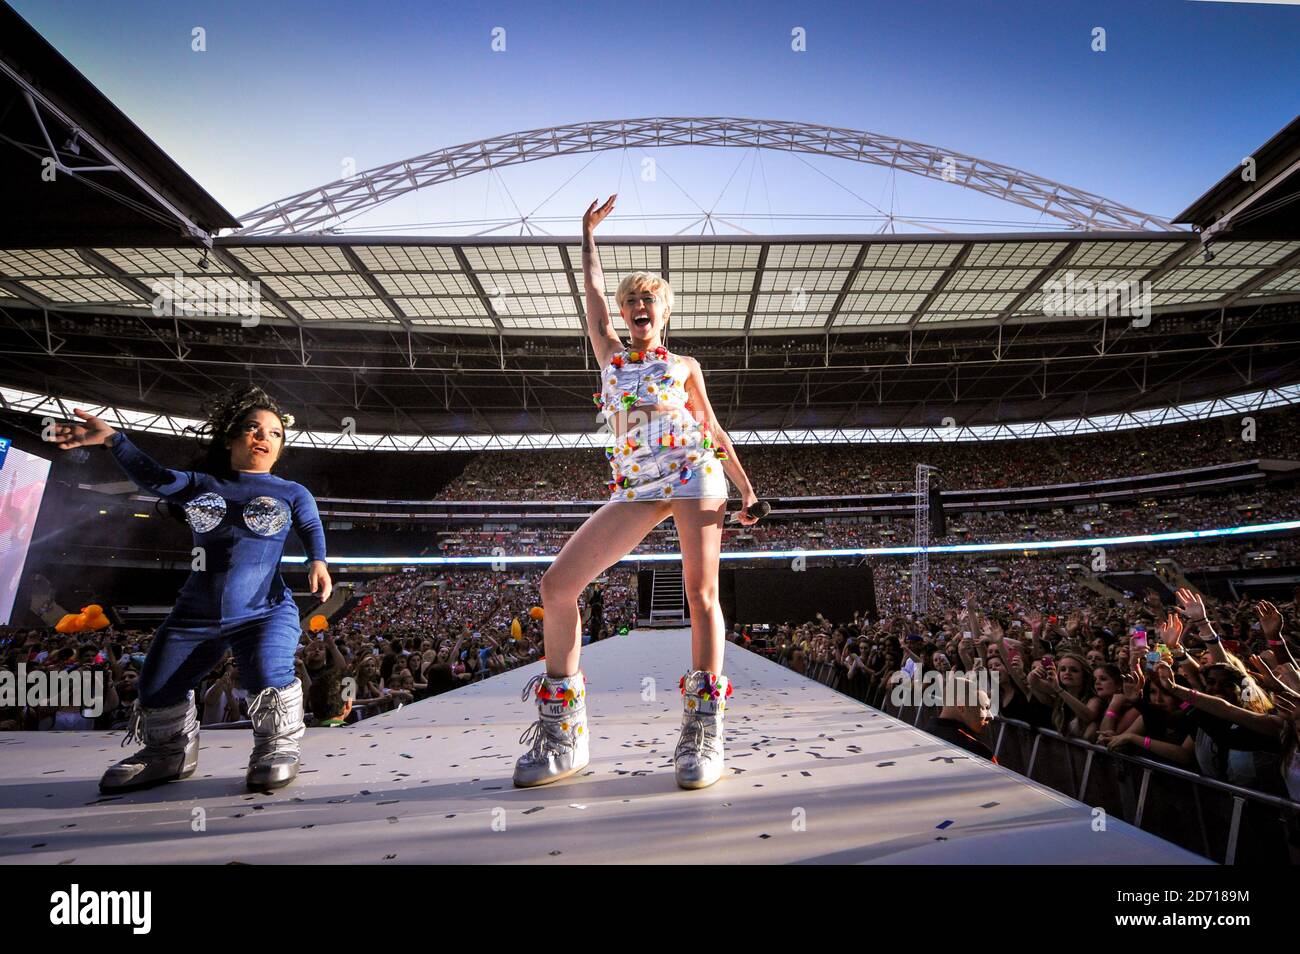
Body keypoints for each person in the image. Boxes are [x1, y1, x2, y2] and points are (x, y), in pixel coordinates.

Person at [513, 195, 763, 791]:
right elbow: (592, 298)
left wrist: (748, 491)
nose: (638, 305)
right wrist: (586, 235)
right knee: (557, 585)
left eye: (648, 298)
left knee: (701, 594)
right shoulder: (608, 354)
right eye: (631, 300)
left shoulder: (685, 365)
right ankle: (564, 732)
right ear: (624, 313)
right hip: (635, 486)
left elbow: (714, 429)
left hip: (695, 474)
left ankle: (704, 730)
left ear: (664, 310)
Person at [47, 385, 331, 792]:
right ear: (232, 436)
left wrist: (317, 561)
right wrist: (113, 439)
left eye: (274, 433)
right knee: (156, 684)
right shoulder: (200, 483)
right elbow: (156, 478)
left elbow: (310, 525)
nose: (263, 437)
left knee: (269, 672)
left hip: (263, 610)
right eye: (252, 428)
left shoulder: (292, 492)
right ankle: (169, 753)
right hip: (196, 612)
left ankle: (276, 747)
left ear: (281, 447)